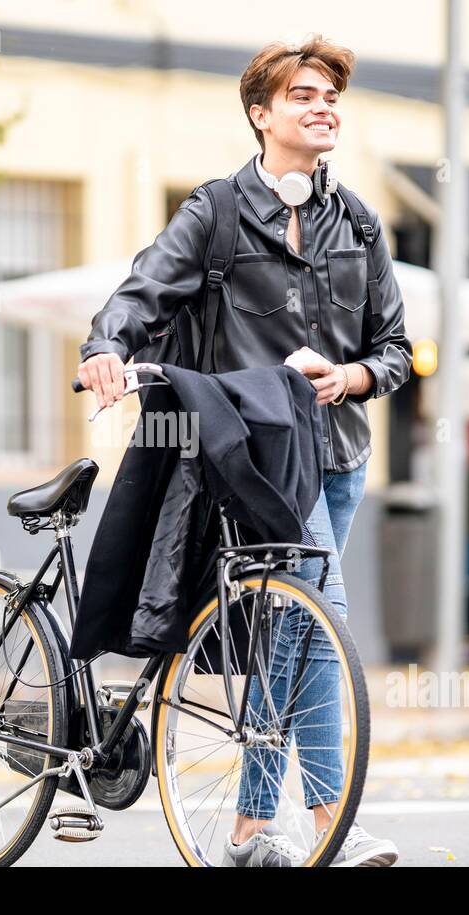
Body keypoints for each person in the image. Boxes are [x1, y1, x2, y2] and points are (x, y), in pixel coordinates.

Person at [76, 34, 412, 867]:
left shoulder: (359, 222)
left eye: (331, 95)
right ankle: (332, 822)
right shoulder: (216, 212)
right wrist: (106, 346)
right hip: (255, 461)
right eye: (304, 95)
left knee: (295, 633)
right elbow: (143, 290)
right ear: (261, 115)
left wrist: (354, 378)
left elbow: (397, 349)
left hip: (339, 458)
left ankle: (254, 831)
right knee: (322, 617)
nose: (324, 107)